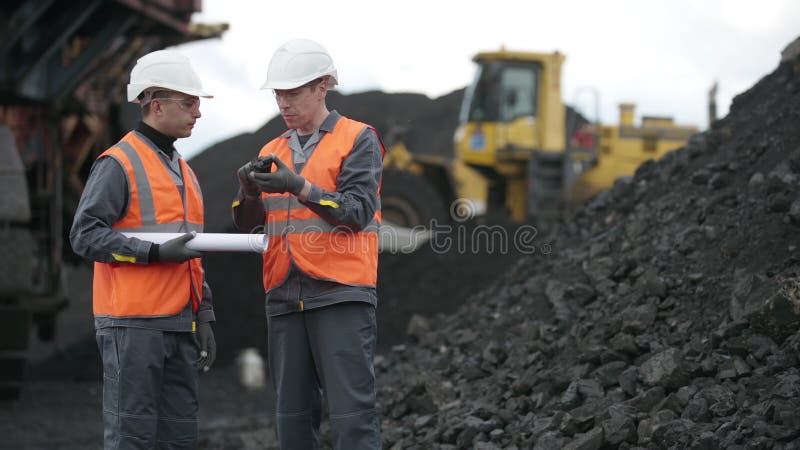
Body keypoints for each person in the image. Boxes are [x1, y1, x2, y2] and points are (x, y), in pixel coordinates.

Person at [232, 38, 383, 449]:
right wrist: (247, 193)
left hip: (340, 293)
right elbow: (251, 225)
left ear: (323, 86)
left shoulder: (358, 139)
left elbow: (355, 211)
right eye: (279, 93)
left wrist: (299, 186)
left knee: (352, 418)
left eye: (293, 92)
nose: (284, 102)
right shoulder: (272, 149)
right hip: (284, 295)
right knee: (292, 422)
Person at [70, 49, 217, 449]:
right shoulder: (118, 163)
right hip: (132, 325)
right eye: (189, 103)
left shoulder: (183, 170)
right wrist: (152, 253)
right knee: (132, 438)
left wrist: (202, 314)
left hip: (178, 325)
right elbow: (84, 235)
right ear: (156, 105)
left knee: (179, 438)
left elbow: (193, 253)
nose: (198, 113)